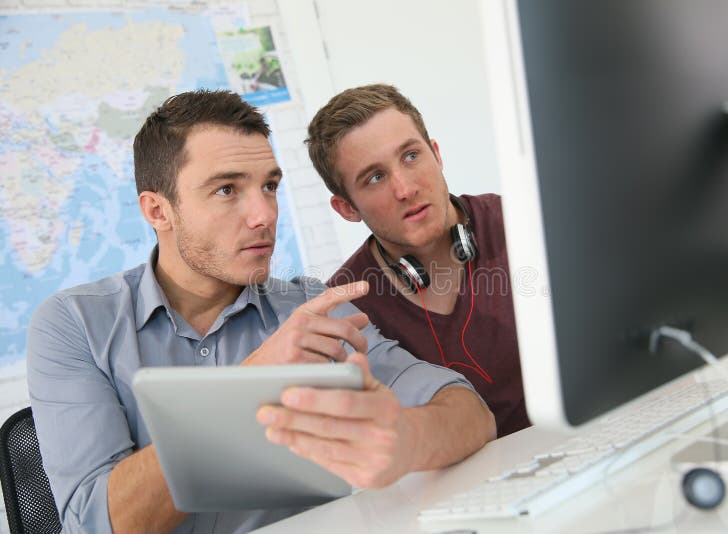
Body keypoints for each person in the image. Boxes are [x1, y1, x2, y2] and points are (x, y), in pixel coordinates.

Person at [26, 89, 496, 533]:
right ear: (157, 211)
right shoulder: (74, 325)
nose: (264, 215)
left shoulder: (310, 308)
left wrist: (404, 439)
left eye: (269, 186)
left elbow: (467, 411)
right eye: (227, 190)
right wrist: (248, 385)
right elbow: (96, 522)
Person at [306, 84, 531, 438]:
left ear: (436, 154)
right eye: (375, 177)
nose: (405, 188)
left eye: (411, 156)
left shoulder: (525, 221)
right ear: (347, 208)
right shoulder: (345, 307)